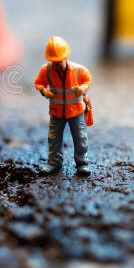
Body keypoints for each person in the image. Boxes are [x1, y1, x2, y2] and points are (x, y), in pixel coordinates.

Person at [33, 36, 93, 176]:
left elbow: (88, 79)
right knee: (54, 139)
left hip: (76, 112)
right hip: (56, 112)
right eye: (54, 61)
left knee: (80, 138)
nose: (57, 64)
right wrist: (44, 91)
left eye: (59, 61)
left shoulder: (78, 70)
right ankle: (54, 163)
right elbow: (38, 82)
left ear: (66, 56)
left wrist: (83, 88)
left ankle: (82, 164)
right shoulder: (46, 70)